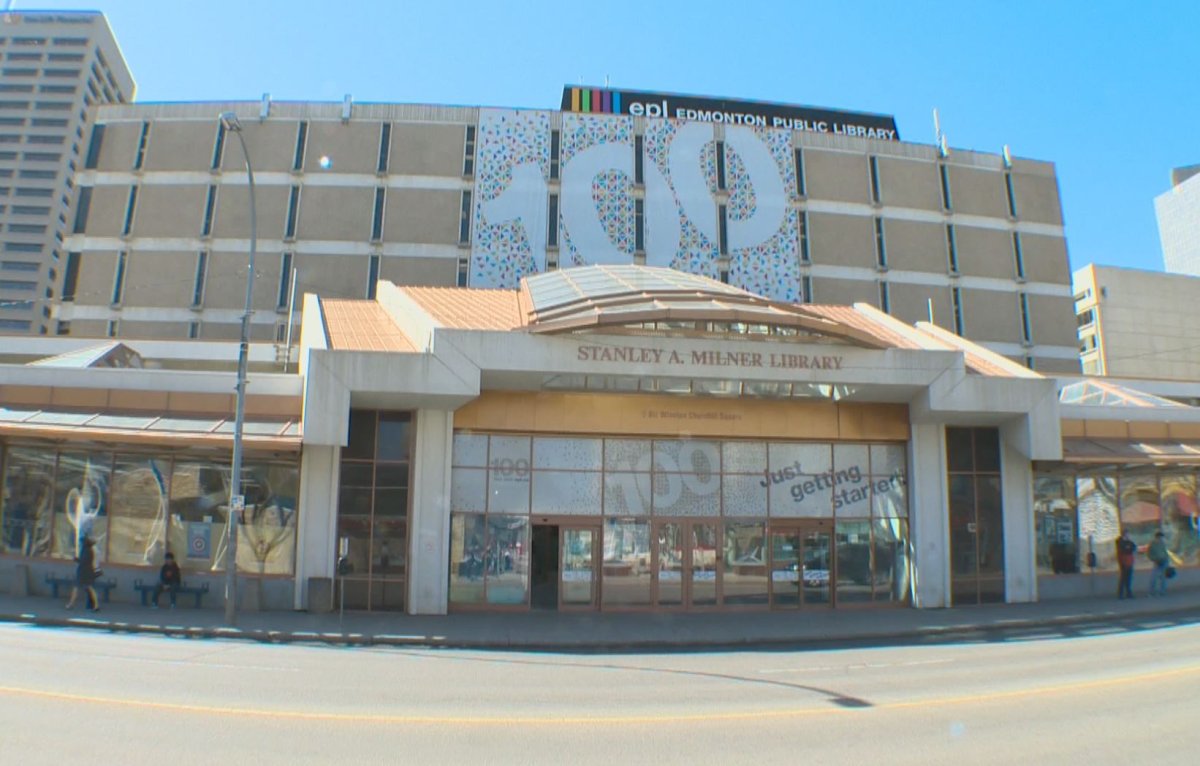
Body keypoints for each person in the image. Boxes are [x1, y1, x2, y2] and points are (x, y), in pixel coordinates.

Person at [65, 536, 100, 612]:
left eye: (81, 542)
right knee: (89, 588)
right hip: (87, 572)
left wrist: (75, 559)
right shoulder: (90, 550)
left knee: (77, 588)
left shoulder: (86, 550)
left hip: (83, 572)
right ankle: (96, 606)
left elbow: (83, 562)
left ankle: (71, 604)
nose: (81, 543)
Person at [1147, 531, 1169, 597]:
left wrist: (1167, 559)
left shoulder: (1162, 543)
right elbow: (1149, 554)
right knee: (1154, 578)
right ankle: (1151, 592)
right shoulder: (1152, 544)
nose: (1162, 539)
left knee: (1163, 578)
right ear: (1157, 537)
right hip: (1157, 562)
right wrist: (1154, 559)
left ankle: (1162, 592)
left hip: (1164, 561)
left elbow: (1165, 552)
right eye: (1161, 537)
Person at [1115, 530, 1136, 599]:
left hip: (1129, 561)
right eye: (1127, 534)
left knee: (1128, 578)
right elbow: (1124, 550)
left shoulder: (1129, 542)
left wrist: (1128, 548)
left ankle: (1128, 593)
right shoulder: (1120, 542)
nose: (1128, 536)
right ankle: (1120, 594)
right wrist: (1128, 548)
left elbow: (1133, 547)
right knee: (1123, 578)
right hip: (1123, 561)